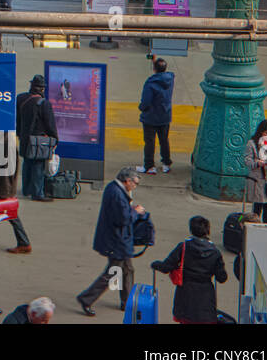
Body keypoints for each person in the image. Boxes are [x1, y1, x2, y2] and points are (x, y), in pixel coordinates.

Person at [77, 166, 146, 316]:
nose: (135, 186)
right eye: (135, 183)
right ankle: (87, 299)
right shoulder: (118, 194)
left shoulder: (113, 188)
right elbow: (123, 219)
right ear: (127, 181)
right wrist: (135, 212)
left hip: (118, 239)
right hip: (117, 241)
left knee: (127, 270)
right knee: (113, 272)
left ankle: (126, 301)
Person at [151, 215, 228, 324]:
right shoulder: (215, 252)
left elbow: (166, 267)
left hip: (186, 294)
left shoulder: (183, 247)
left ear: (191, 230)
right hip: (206, 297)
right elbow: (222, 278)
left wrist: (155, 264)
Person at [17, 74, 57, 202]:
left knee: (27, 163)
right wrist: (55, 138)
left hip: (24, 137)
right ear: (42, 89)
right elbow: (50, 124)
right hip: (39, 141)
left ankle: (26, 189)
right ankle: (37, 193)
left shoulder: (21, 98)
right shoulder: (44, 104)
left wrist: (20, 134)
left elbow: (17, 118)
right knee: (38, 165)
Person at [0, 155, 32, 254]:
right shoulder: (1, 141)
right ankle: (24, 243)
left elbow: (7, 171)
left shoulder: (6, 144)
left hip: (1, 189)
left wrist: (4, 194)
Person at [139, 57, 175, 174]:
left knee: (150, 142)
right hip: (165, 115)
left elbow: (146, 101)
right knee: (164, 140)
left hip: (151, 117)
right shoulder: (169, 80)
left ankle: (149, 166)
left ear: (154, 69)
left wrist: (141, 108)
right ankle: (166, 163)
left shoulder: (151, 83)